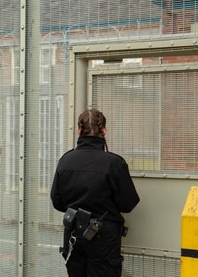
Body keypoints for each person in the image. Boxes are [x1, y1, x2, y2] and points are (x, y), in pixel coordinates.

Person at [50, 109, 140, 277]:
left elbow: (57, 201)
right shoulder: (114, 163)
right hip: (104, 238)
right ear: (104, 130)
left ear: (78, 131)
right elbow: (128, 204)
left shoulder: (65, 160)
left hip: (74, 234)